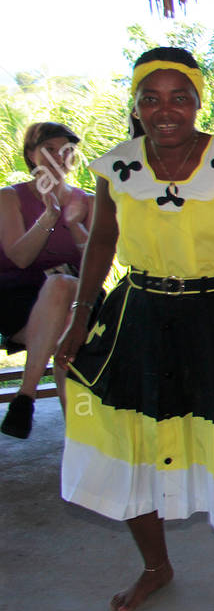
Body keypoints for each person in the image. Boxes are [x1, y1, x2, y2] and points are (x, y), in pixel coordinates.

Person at [54, 47, 214, 611]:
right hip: (140, 312)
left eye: (180, 98)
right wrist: (80, 315)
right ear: (137, 105)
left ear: (199, 102)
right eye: (151, 98)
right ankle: (156, 566)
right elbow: (102, 242)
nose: (165, 110)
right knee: (135, 435)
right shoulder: (117, 166)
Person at [1, 122, 92, 438]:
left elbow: (97, 266)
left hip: (81, 297)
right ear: (31, 155)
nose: (58, 156)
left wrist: (76, 225)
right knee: (70, 337)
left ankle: (25, 396)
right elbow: (20, 258)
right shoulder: (9, 198)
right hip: (20, 300)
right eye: (49, 149)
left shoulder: (89, 201)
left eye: (65, 150)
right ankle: (78, 443)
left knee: (64, 285)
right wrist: (50, 216)